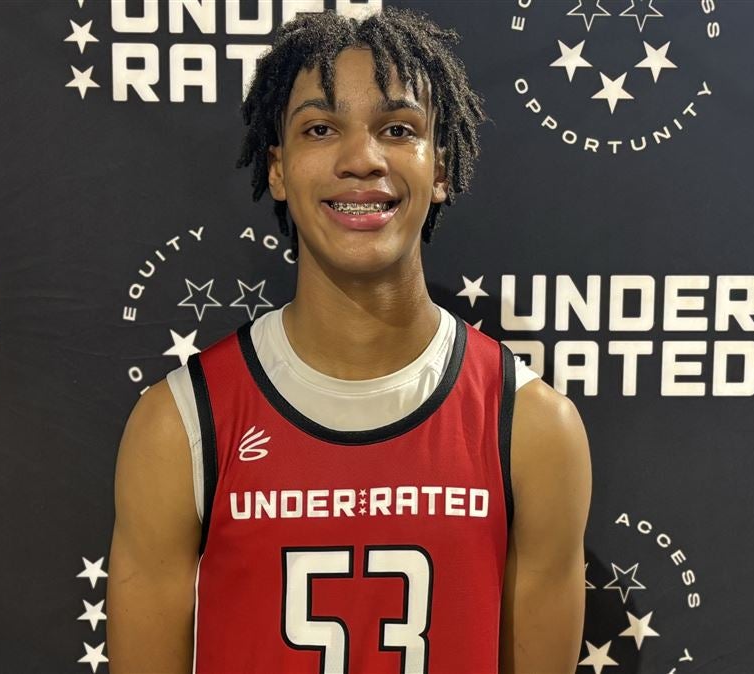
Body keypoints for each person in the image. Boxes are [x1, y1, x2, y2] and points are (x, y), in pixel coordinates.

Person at [107, 7, 591, 673]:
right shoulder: (181, 424)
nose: (361, 159)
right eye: (320, 129)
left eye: (398, 129)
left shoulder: (533, 427)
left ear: (440, 168)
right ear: (278, 170)